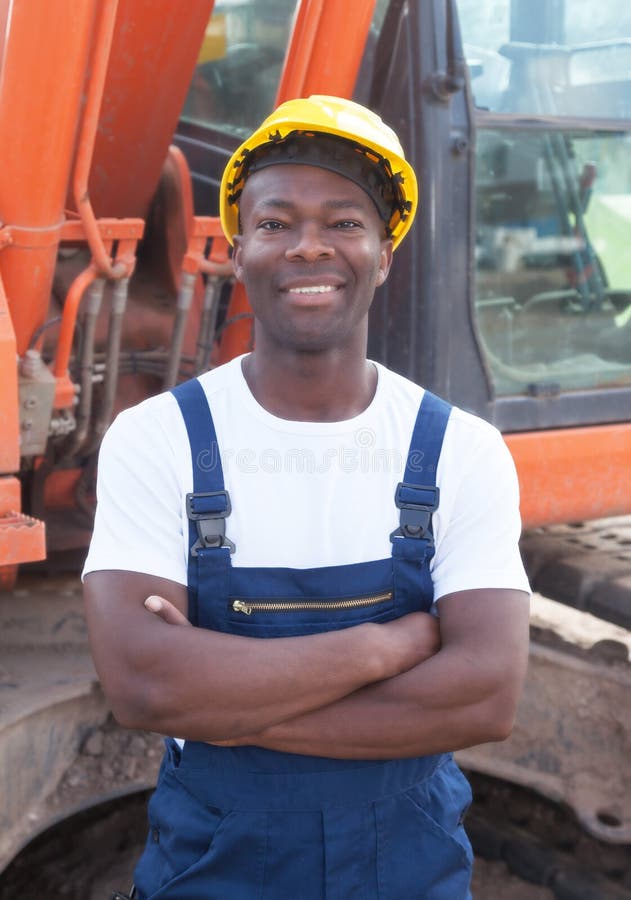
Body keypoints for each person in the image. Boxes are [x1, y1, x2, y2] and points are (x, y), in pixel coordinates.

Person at [83, 95, 530, 899]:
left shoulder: (462, 450)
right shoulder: (158, 440)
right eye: (275, 223)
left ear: (384, 252)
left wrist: (224, 701)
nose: (308, 247)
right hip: (212, 868)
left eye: (344, 223)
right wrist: (385, 649)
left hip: (409, 865)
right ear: (238, 247)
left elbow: (487, 694)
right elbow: (144, 685)